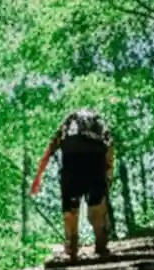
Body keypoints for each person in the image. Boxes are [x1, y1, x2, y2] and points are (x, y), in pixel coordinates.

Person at [30, 108, 115, 261]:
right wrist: (108, 175)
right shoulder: (99, 123)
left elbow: (50, 148)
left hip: (72, 166)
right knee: (96, 210)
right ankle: (101, 246)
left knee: (71, 211)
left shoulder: (68, 123)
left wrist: (38, 177)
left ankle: (72, 248)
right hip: (96, 164)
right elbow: (110, 148)